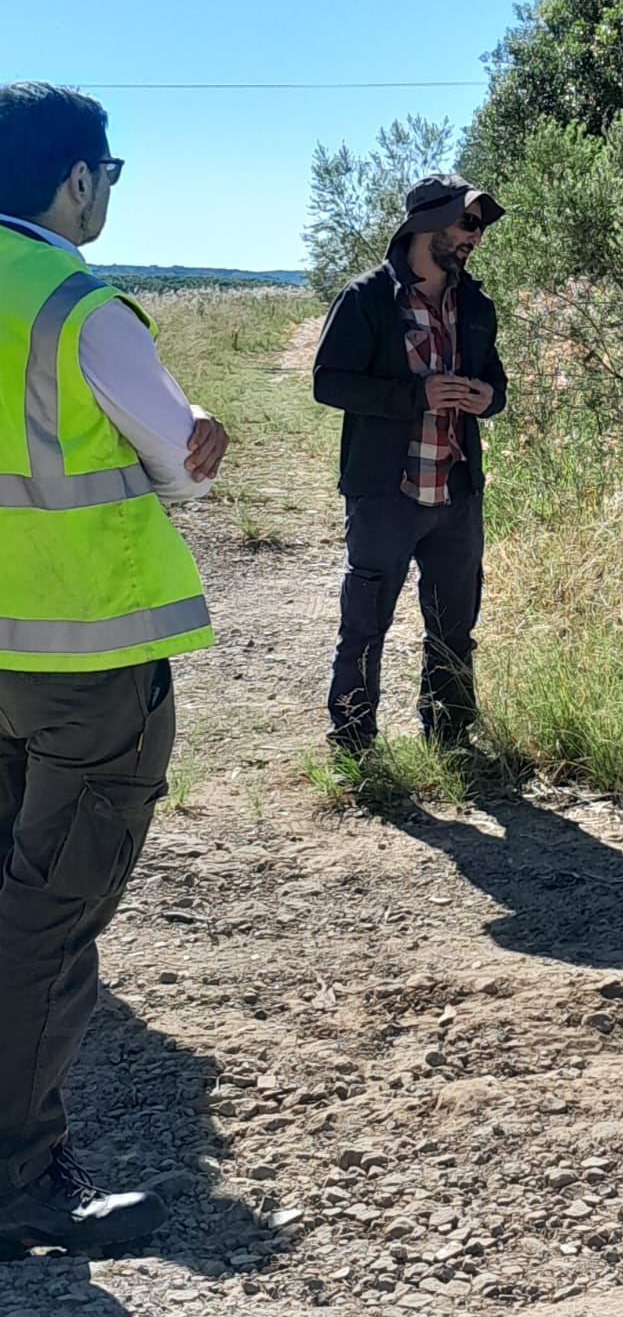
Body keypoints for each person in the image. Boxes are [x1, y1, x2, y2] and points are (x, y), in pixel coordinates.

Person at [0, 82, 229, 1252]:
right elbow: (181, 467)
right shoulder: (80, 310)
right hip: (87, 661)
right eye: (112, 174)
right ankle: (18, 1186)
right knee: (47, 918)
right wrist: (197, 446)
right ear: (75, 181)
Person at [313, 172, 507, 753]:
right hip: (385, 493)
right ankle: (353, 744)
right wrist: (416, 397)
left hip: (456, 491)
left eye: (481, 226)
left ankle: (450, 741)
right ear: (428, 223)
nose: (476, 236)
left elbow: (496, 383)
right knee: (366, 621)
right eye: (467, 222)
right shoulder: (367, 297)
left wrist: (486, 399)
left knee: (455, 625)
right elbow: (329, 382)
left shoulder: (475, 304)